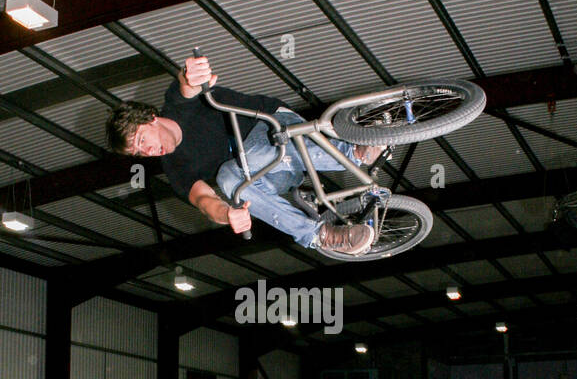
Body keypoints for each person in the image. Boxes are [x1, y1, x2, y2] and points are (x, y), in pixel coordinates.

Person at [104, 53, 384, 256]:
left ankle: (355, 151)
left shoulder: (176, 105)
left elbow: (185, 87)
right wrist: (227, 214)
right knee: (233, 185)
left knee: (230, 175)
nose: (149, 151)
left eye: (143, 140)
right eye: (140, 152)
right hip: (276, 174)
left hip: (273, 125)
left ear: (151, 118)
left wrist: (191, 76)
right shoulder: (176, 168)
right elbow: (204, 201)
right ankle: (320, 235)